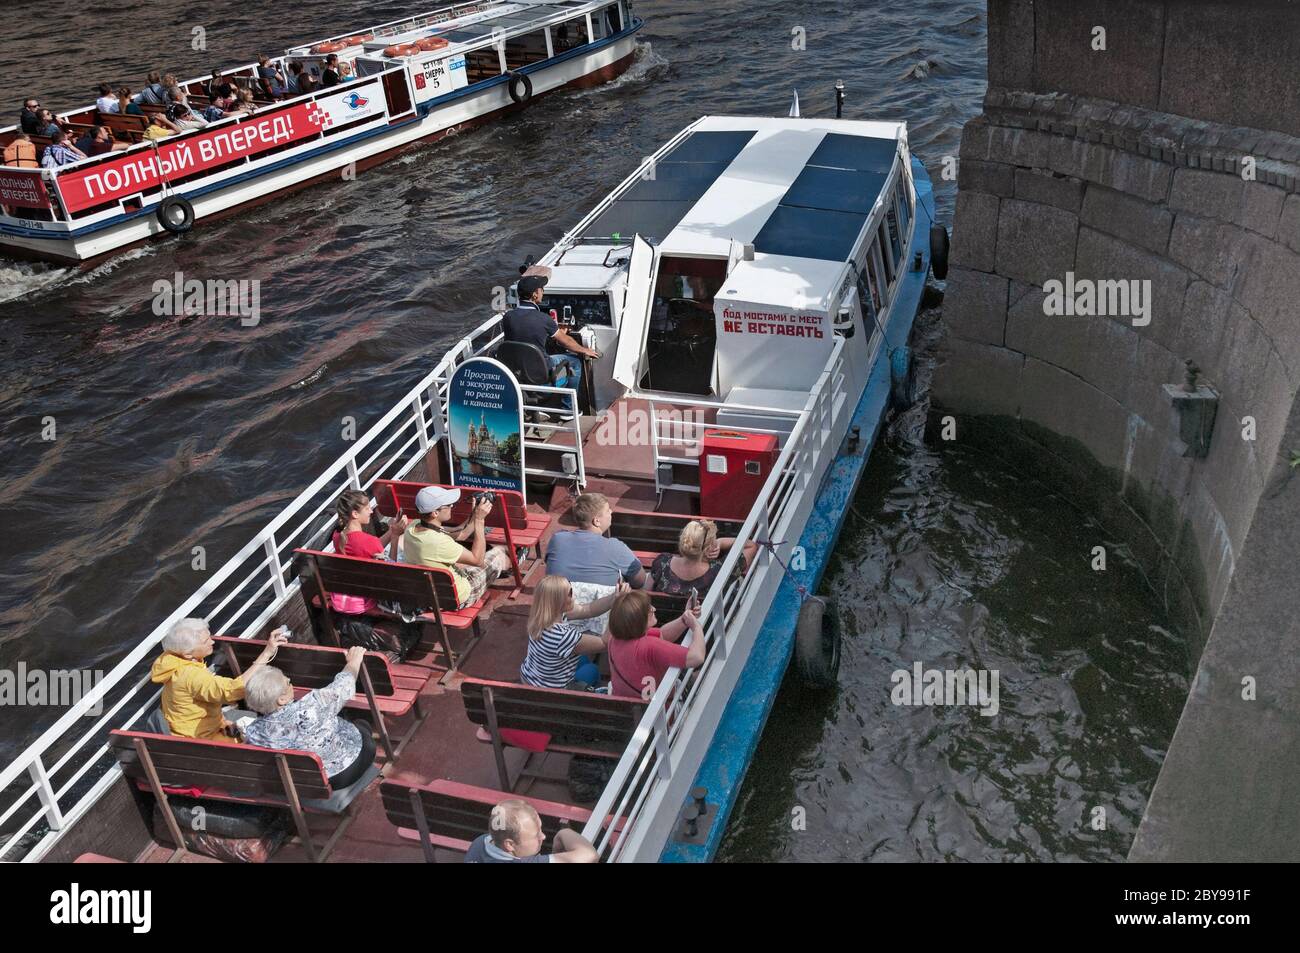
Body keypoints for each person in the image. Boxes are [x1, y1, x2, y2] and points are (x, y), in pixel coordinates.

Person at [242, 645, 376, 788]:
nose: (290, 682)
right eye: (287, 683)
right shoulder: (312, 704)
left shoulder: (254, 732)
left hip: (314, 783)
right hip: (350, 768)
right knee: (362, 724)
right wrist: (353, 661)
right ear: (281, 699)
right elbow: (344, 685)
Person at [150, 619, 288, 741]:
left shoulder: (172, 660)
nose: (212, 641)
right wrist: (267, 652)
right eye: (206, 641)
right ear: (187, 654)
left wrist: (221, 722)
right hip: (200, 738)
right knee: (261, 740)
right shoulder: (191, 675)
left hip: (189, 728)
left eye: (209, 636)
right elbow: (233, 690)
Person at [501, 272, 599, 413]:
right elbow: (565, 342)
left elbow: (525, 335)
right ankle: (569, 409)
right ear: (535, 295)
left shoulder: (508, 317)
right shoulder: (543, 319)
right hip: (542, 379)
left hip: (519, 375)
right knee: (575, 362)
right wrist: (584, 350)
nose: (543, 292)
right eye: (541, 289)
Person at [403, 485, 511, 610]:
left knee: (467, 561)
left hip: (433, 593)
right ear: (435, 513)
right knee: (498, 552)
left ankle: (502, 565)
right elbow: (478, 560)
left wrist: (475, 515)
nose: (451, 507)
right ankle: (514, 559)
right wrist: (480, 521)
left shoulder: (413, 527)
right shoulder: (439, 542)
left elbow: (461, 534)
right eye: (448, 505)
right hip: (458, 596)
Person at [522, 575, 627, 689]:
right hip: (551, 690)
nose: (574, 595)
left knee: (584, 659)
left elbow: (588, 609)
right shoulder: (563, 636)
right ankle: (592, 693)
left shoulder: (541, 617)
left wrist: (614, 597)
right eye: (570, 592)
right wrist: (618, 606)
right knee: (592, 670)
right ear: (559, 601)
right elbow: (605, 643)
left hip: (529, 676)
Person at [605, 590, 706, 700]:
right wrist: (697, 627)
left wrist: (684, 619)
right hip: (661, 712)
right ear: (639, 619)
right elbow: (697, 657)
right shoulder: (649, 646)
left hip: (626, 707)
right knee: (701, 675)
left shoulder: (614, 640)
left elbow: (661, 634)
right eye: (648, 609)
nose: (654, 608)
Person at [330, 488, 408, 615]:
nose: (371, 511)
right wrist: (395, 537)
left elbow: (373, 545)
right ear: (355, 514)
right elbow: (391, 569)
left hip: (354, 589)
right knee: (405, 543)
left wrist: (392, 530)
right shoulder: (367, 541)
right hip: (368, 597)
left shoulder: (337, 536)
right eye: (367, 509)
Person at [464, 799, 598, 863]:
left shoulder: (480, 842)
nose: (543, 836)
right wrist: (563, 833)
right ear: (510, 844)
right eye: (536, 835)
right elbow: (589, 855)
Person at [650, 520, 757, 598]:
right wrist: (721, 542)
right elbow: (751, 546)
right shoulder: (720, 571)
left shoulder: (662, 562)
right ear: (708, 548)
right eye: (714, 539)